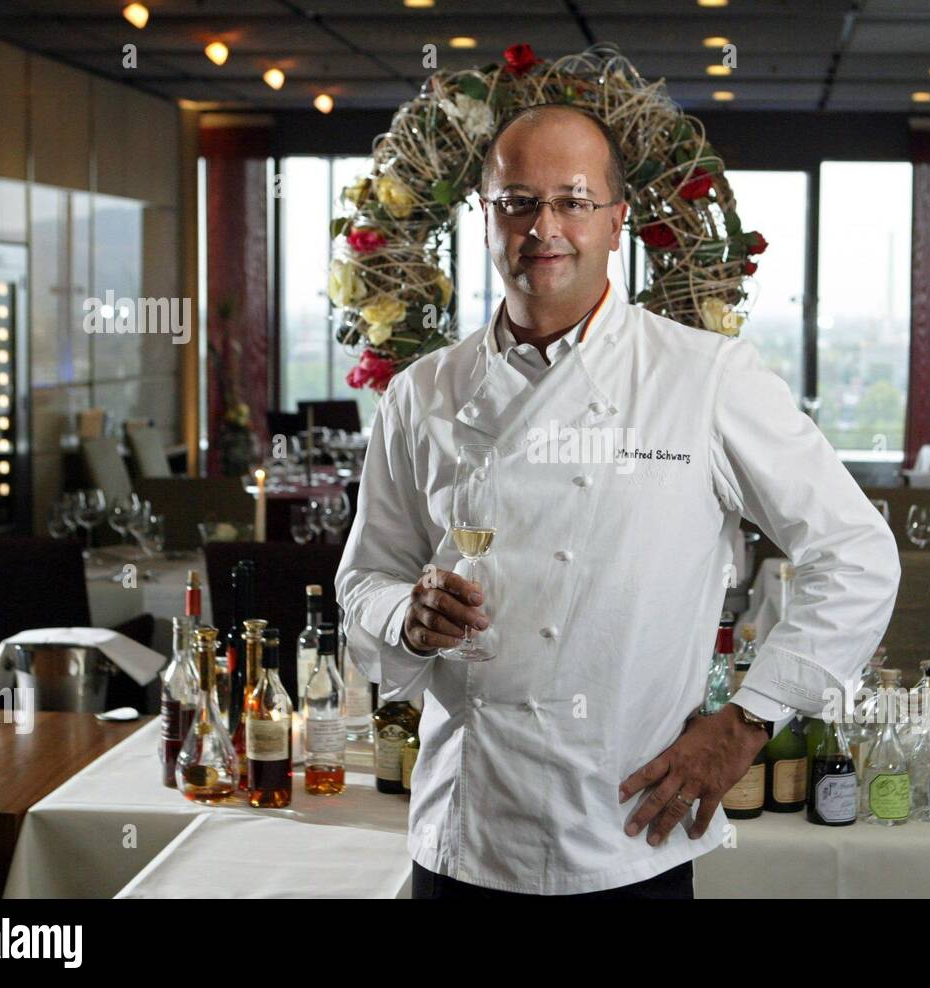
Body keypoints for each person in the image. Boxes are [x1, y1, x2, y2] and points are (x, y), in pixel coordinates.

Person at [336, 103, 900, 899]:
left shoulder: (706, 380)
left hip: (628, 835)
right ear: (487, 218)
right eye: (517, 202)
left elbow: (857, 552)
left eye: (572, 200)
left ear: (617, 220)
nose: (543, 226)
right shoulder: (421, 392)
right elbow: (364, 580)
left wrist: (748, 721)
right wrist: (406, 616)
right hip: (462, 835)